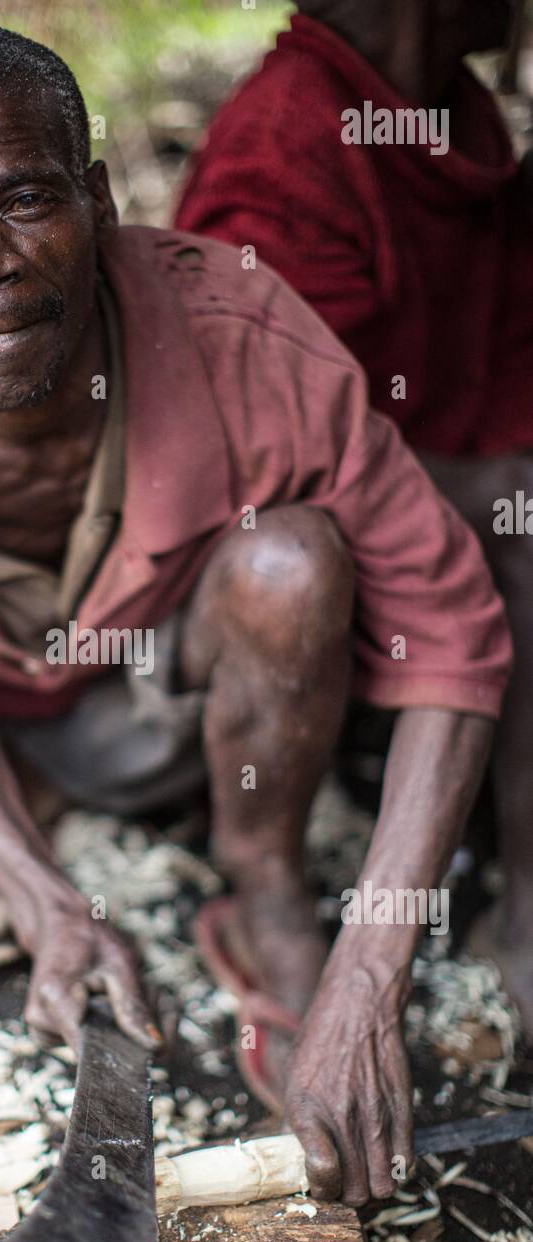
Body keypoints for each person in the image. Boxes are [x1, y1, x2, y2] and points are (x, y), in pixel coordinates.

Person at [0, 25, 513, 1205]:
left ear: (97, 198)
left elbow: (454, 640)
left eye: (22, 199)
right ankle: (10, 810)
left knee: (289, 562)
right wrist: (44, 900)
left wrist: (369, 980)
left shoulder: (245, 339)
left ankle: (262, 889)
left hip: (174, 706)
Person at [175, 0, 533, 1032]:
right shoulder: (285, 140)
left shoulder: (456, 120)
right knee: (303, 559)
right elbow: (279, 439)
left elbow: (505, 380)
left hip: (427, 495)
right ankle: (269, 885)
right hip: (271, 544)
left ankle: (518, 881)